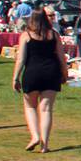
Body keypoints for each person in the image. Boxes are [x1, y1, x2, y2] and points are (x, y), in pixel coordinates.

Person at [13, 8, 68, 153]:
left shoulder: (26, 35)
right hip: (51, 72)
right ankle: (45, 145)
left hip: (32, 73)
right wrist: (65, 74)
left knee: (30, 106)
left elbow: (21, 59)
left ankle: (35, 136)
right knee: (46, 109)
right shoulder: (54, 35)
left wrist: (15, 77)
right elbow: (62, 58)